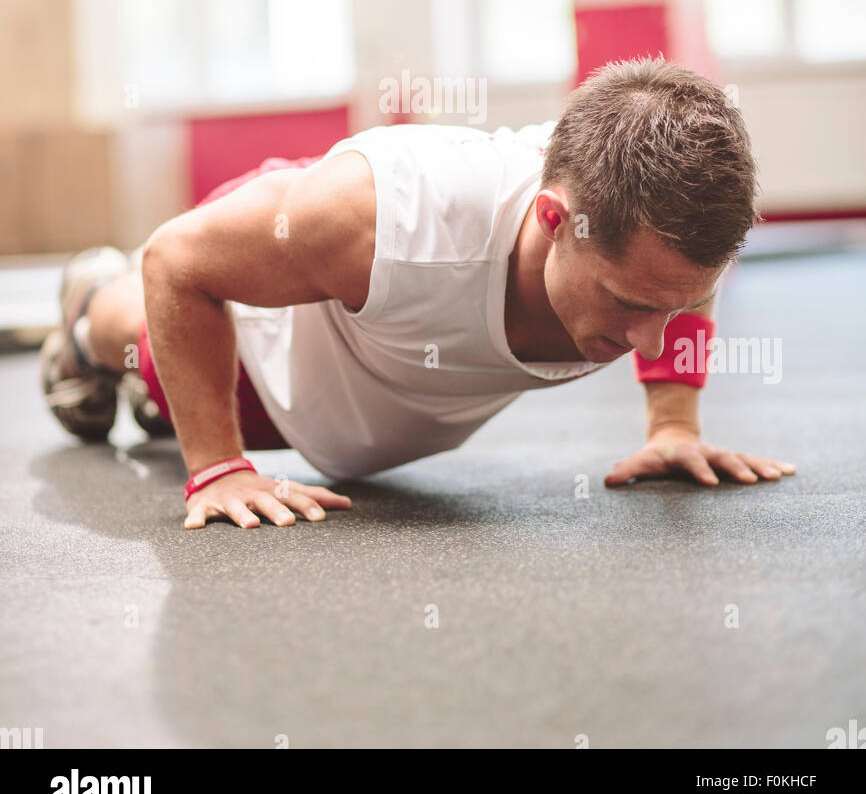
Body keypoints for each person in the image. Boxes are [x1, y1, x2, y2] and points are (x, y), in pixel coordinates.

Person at [40, 57, 795, 530]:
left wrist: (672, 423)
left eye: (676, 302)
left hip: (372, 369)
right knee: (146, 341)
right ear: (554, 218)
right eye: (630, 304)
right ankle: (86, 313)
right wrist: (217, 467)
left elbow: (679, 285)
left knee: (166, 390)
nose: (652, 339)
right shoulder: (380, 221)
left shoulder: (652, 240)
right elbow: (178, 261)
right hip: (270, 338)